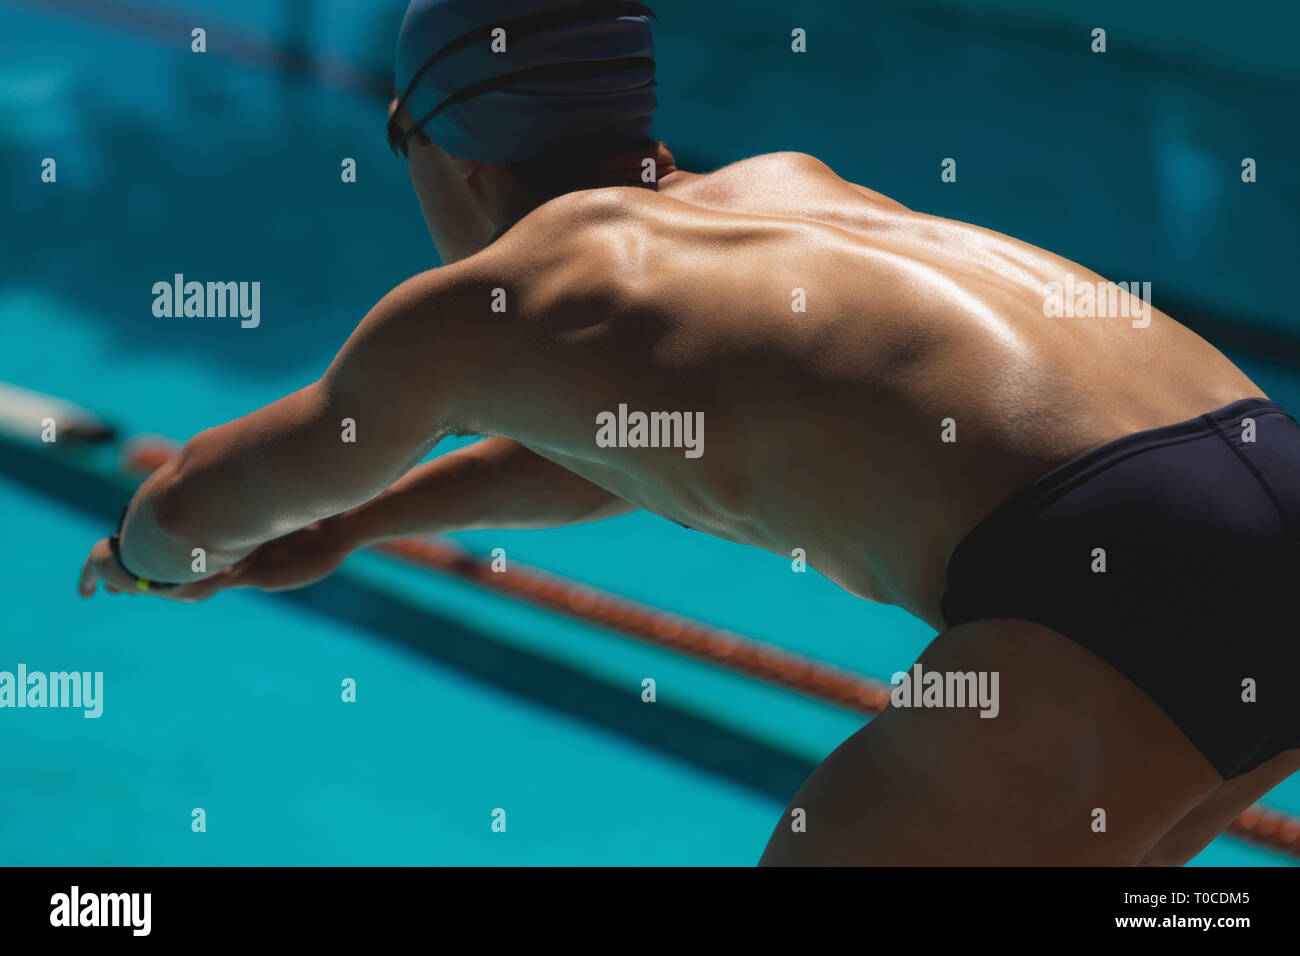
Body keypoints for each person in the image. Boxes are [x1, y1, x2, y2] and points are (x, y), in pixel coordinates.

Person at [78, 0, 1300, 865]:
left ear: (440, 147)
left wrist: (141, 555)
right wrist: (371, 516)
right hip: (1260, 480)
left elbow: (213, 494)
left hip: (1114, 570)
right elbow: (635, 454)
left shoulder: (489, 301)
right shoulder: (778, 191)